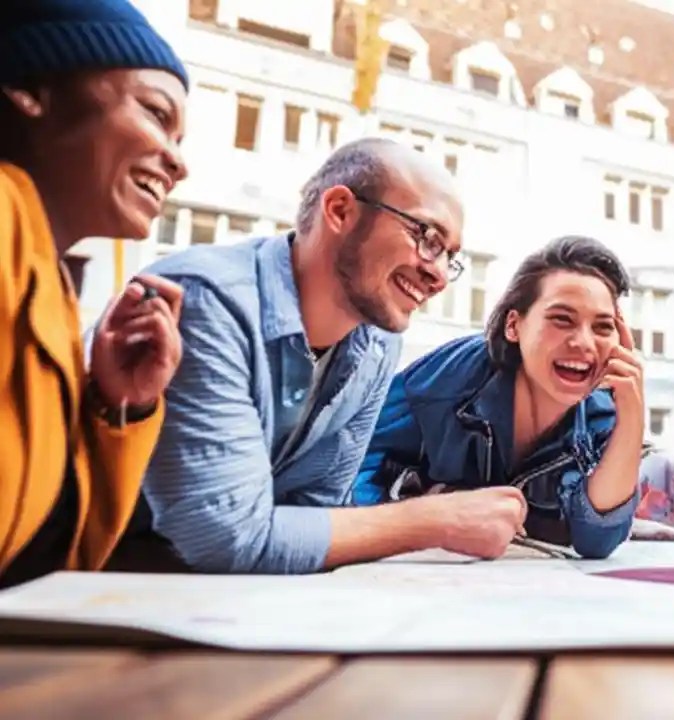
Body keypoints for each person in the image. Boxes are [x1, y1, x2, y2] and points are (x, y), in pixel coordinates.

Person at [109, 138, 505, 575]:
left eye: (450, 256)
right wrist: (432, 520)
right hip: (79, 589)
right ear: (339, 210)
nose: (437, 275)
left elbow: (320, 513)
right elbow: (224, 537)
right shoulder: (206, 302)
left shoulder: (377, 341)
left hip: (209, 602)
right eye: (427, 237)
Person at [0, 0, 188, 587]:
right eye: (157, 114)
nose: (178, 163)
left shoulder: (49, 275)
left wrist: (114, 406)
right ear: (33, 88)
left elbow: (52, 556)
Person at [352, 236, 643, 559]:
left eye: (603, 327)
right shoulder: (447, 383)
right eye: (562, 319)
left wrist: (632, 415)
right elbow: (346, 467)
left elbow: (597, 540)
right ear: (514, 326)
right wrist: (435, 509)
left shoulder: (603, 412)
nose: (584, 343)